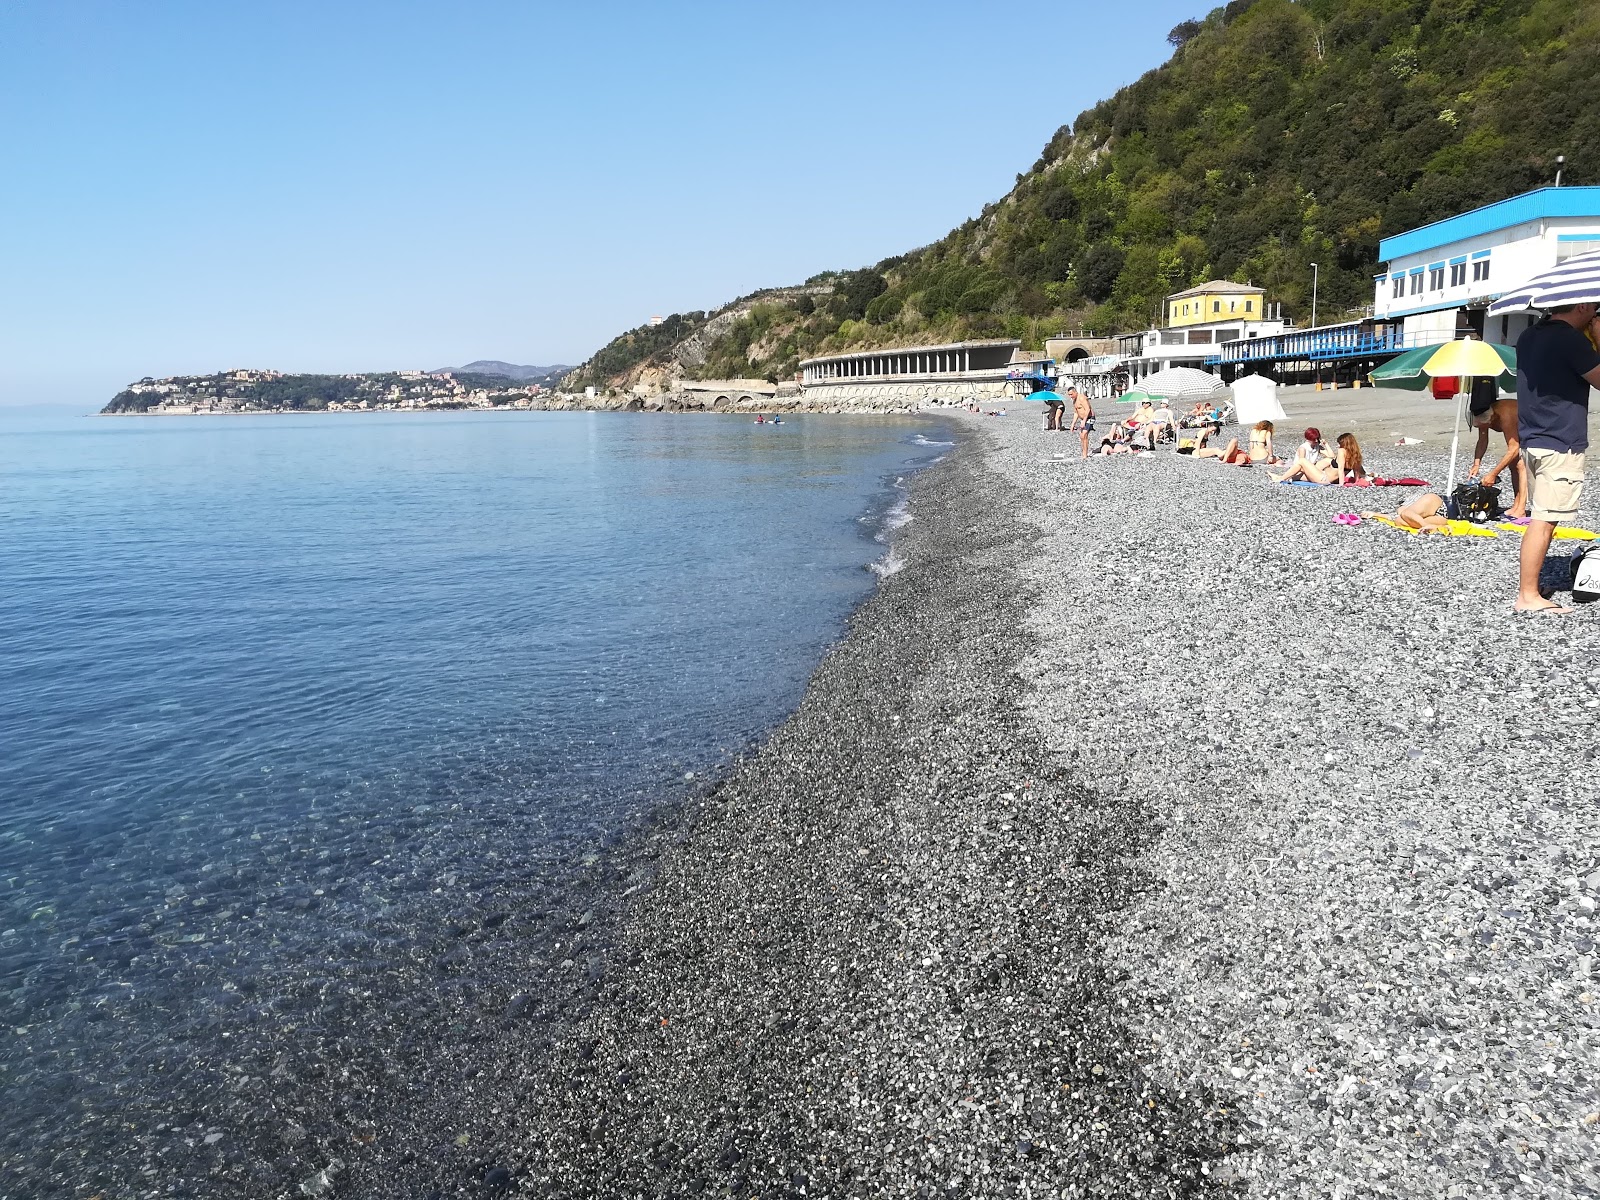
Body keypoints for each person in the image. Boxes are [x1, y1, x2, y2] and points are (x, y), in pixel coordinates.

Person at [1513, 303, 1600, 614]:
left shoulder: (1528, 336)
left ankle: (1532, 587)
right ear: (1582, 306)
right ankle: (1528, 596)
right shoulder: (1570, 340)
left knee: (1542, 516)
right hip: (1559, 442)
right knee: (1544, 521)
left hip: (1533, 439)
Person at [1468, 382, 1526, 520]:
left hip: (1533, 425)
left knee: (1520, 464)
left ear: (1492, 419)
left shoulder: (1505, 416)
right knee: (1513, 465)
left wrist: (1493, 474)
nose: (1484, 429)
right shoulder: (1481, 411)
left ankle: (1521, 509)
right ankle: (1516, 505)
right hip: (1518, 431)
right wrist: (1476, 464)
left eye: (1485, 426)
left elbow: (1514, 448)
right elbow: (1482, 440)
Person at [1362, 493, 1448, 532]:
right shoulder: (1403, 511)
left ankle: (1426, 526)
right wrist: (1374, 514)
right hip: (1440, 516)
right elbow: (1394, 517)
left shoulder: (1405, 508)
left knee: (1404, 515)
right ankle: (1432, 527)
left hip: (1432, 500)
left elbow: (1405, 513)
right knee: (1399, 521)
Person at [1070, 387, 1095, 459]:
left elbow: (1088, 409)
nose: (1070, 396)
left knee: (1084, 434)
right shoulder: (1074, 401)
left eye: (1071, 394)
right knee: (1081, 436)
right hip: (1083, 419)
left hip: (1089, 418)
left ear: (1075, 392)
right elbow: (1076, 413)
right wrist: (1072, 424)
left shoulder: (1082, 398)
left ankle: (1085, 454)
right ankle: (1084, 452)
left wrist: (1084, 421)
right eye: (1069, 395)